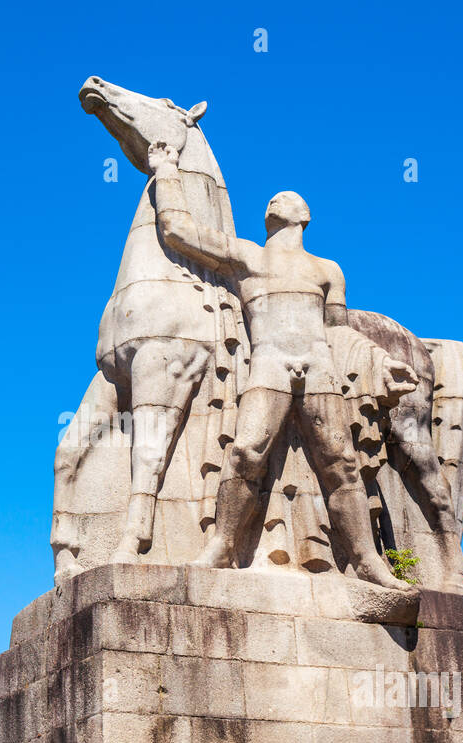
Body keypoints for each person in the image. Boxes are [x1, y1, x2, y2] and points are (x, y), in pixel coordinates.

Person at [148, 142, 414, 588]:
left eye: (286, 197)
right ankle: (222, 545)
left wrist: (381, 362)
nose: (275, 199)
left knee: (341, 464)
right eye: (272, 199)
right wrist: (165, 167)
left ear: (304, 216)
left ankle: (368, 560)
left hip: (319, 369)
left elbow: (339, 331)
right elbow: (177, 229)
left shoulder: (327, 269)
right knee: (245, 452)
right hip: (269, 365)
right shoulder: (249, 256)